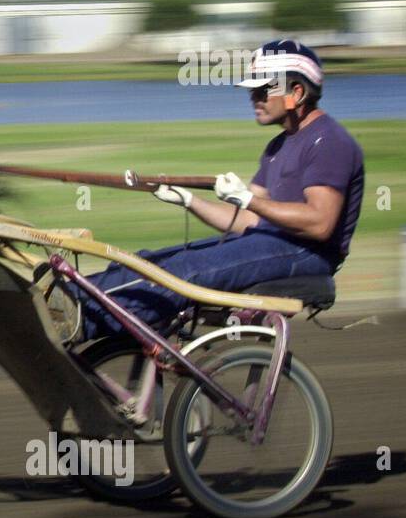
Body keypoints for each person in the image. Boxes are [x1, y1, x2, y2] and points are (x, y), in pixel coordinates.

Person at [77, 39, 364, 340]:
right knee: (151, 262)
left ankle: (86, 320)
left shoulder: (329, 142)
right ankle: (71, 297)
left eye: (264, 89)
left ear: (297, 92)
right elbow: (247, 221)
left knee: (184, 271)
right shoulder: (277, 146)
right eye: (253, 89)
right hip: (268, 241)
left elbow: (319, 223)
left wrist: (249, 199)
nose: (254, 97)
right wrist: (188, 200)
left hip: (307, 254)